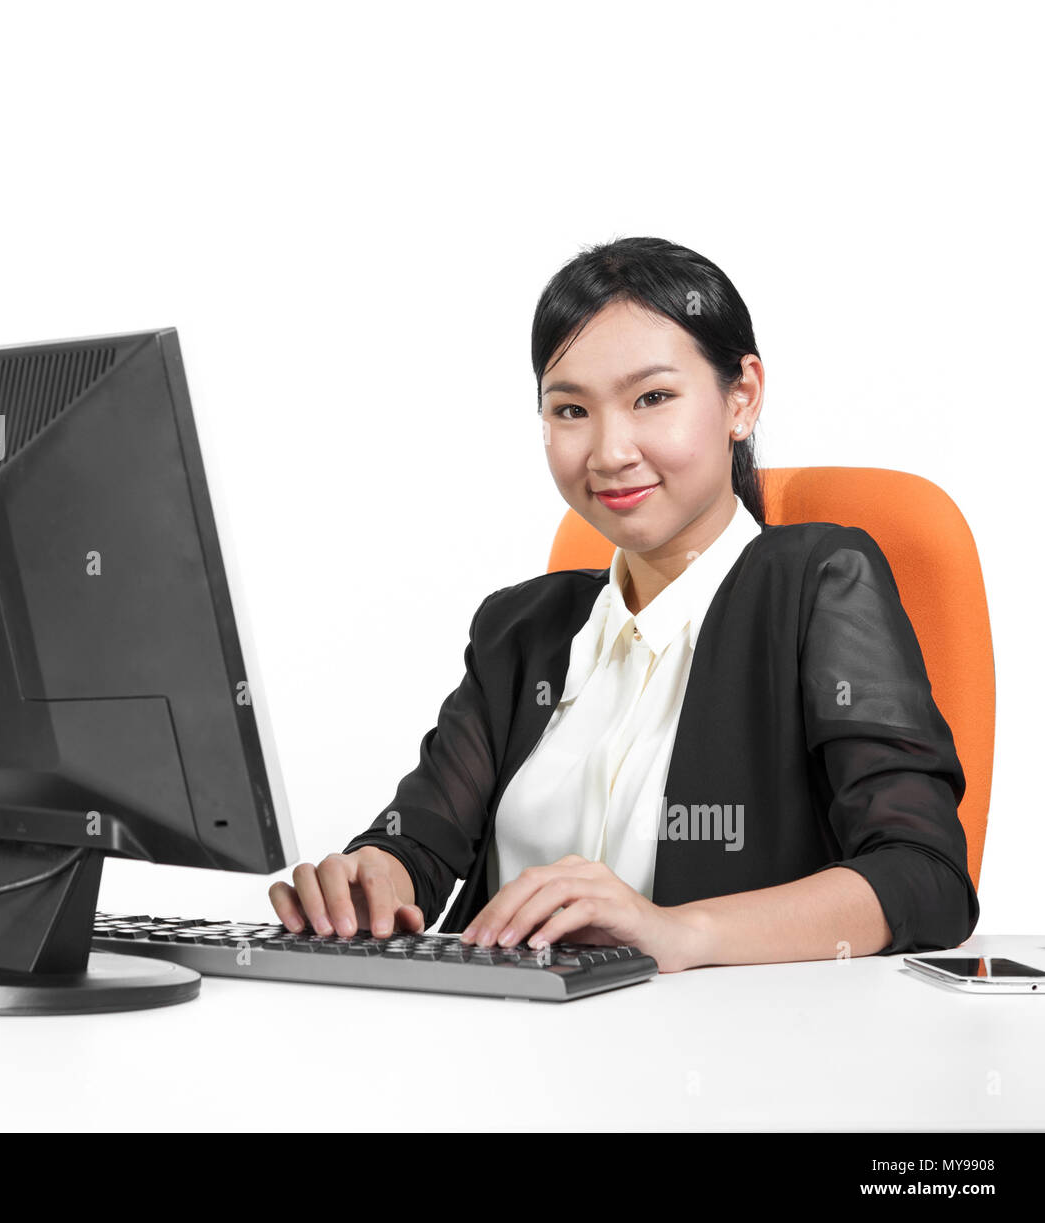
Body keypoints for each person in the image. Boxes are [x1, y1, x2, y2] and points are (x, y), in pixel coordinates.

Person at [267, 236, 978, 972]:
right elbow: (418, 841)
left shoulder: (817, 584)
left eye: (652, 398)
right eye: (571, 409)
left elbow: (923, 875)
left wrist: (672, 931)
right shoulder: (520, 630)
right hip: (501, 1033)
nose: (609, 452)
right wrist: (370, 879)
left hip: (725, 1039)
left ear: (741, 397)